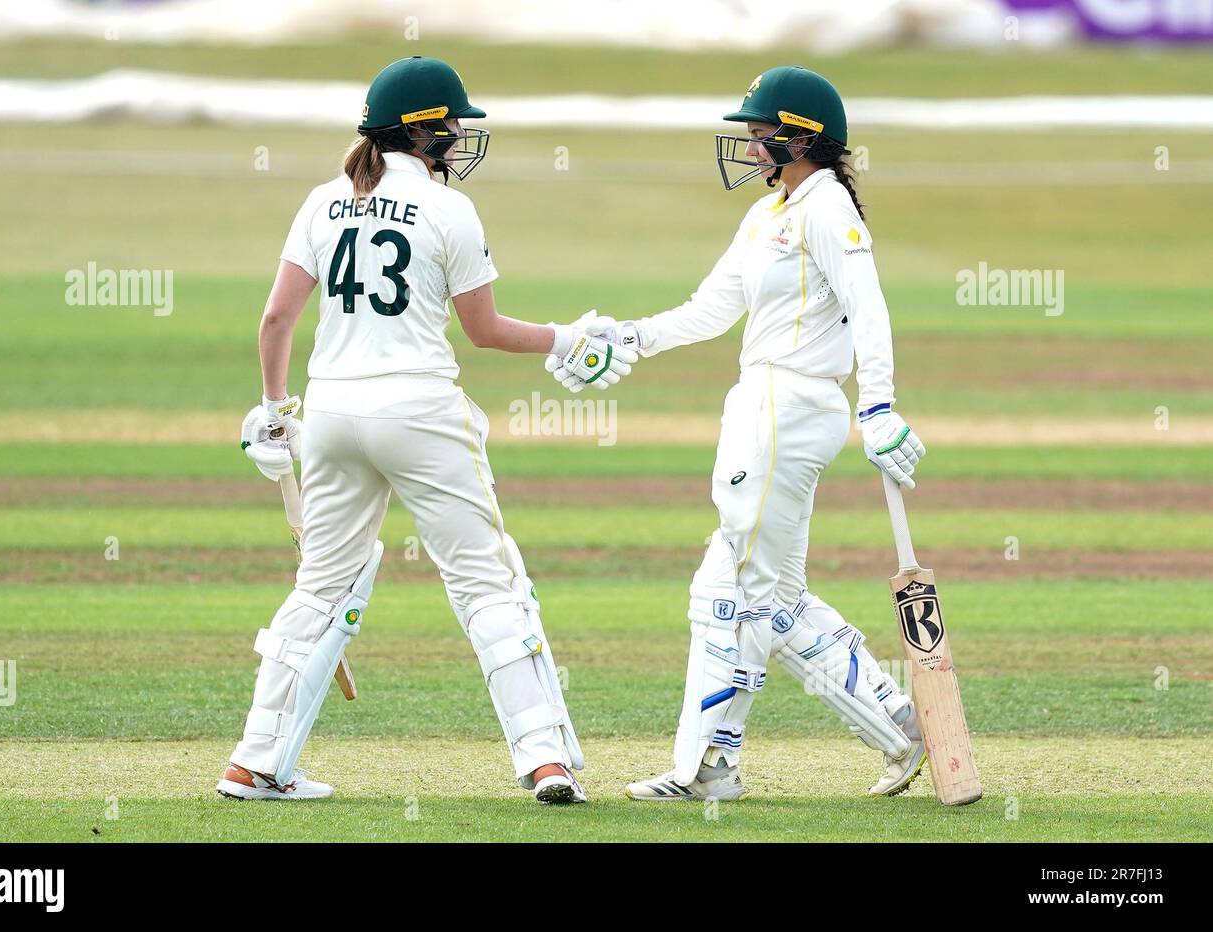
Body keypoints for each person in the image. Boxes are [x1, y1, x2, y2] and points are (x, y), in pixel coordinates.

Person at [218, 56, 635, 805]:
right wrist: (567, 339)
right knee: (486, 581)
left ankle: (253, 763)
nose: (459, 136)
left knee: (319, 586)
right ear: (424, 131)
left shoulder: (323, 201)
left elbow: (276, 317)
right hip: (419, 413)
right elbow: (485, 331)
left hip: (334, 415)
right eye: (452, 124)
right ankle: (545, 760)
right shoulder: (449, 211)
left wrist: (275, 410)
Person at [549, 66, 928, 801]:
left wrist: (877, 406)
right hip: (761, 407)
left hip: (789, 409)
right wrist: (627, 337)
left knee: (754, 596)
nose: (751, 149)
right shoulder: (768, 215)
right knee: (734, 591)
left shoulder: (825, 207)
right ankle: (745, 756)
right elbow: (708, 308)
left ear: (803, 138)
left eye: (762, 137)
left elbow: (868, 306)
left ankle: (850, 735)